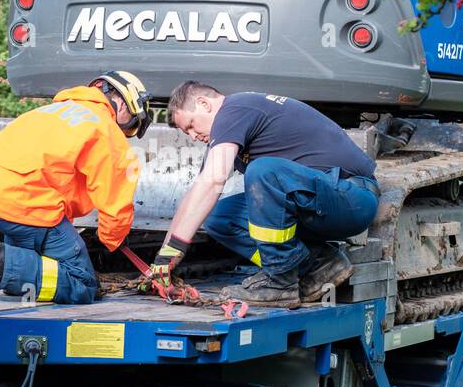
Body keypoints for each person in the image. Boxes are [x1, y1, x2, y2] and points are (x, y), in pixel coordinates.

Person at [154, 82, 380, 308]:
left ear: (204, 104)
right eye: (187, 132)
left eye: (191, 125)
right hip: (321, 200)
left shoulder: (234, 110)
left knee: (263, 171)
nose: (193, 136)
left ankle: (280, 281)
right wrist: (163, 258)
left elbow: (214, 180)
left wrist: (175, 250)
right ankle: (316, 264)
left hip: (352, 198)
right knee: (220, 217)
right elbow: (199, 191)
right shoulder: (231, 126)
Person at [0, 70, 151, 305]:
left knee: (34, 262)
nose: (124, 133)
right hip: (18, 198)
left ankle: (4, 262)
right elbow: (116, 204)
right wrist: (109, 240)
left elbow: (55, 177)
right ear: (123, 103)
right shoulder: (106, 131)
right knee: (81, 283)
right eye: (130, 124)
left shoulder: (55, 110)